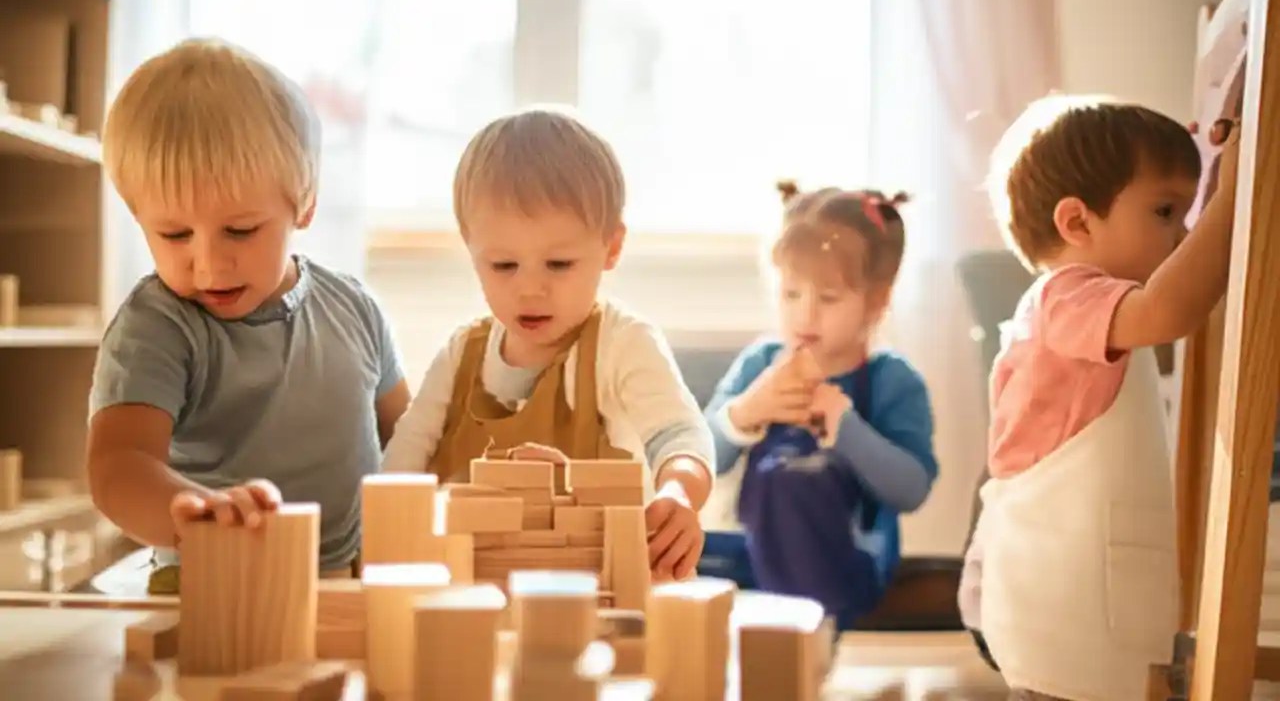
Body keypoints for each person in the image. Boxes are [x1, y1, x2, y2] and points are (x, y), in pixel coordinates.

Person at [87, 38, 410, 589]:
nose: (209, 265)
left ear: (303, 204)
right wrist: (195, 514)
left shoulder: (355, 309)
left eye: (240, 230)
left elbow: (411, 440)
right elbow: (118, 465)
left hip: (351, 578)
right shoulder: (157, 328)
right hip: (212, 582)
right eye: (174, 234)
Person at [959, 94, 1240, 700]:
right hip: (1059, 603)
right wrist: (1232, 199)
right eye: (1166, 211)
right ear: (1078, 224)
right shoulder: (1069, 297)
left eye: (1189, 213)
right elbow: (1171, 308)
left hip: (1072, 601)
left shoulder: (1079, 305)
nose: (1183, 233)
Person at [381, 107, 714, 581]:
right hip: (477, 588)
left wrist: (678, 492)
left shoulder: (622, 344)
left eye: (558, 264)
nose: (530, 289)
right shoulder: (461, 354)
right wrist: (391, 541)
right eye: (503, 266)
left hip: (602, 587)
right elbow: (404, 462)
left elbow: (679, 436)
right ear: (470, 246)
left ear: (611, 248)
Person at [701, 181, 938, 629]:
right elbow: (698, 457)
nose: (805, 316)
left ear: (876, 301)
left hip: (849, 566)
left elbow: (911, 489)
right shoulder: (762, 363)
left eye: (828, 299)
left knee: (799, 481)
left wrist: (845, 425)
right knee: (668, 547)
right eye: (791, 294)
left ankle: (804, 637)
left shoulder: (892, 379)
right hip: (757, 553)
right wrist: (746, 412)